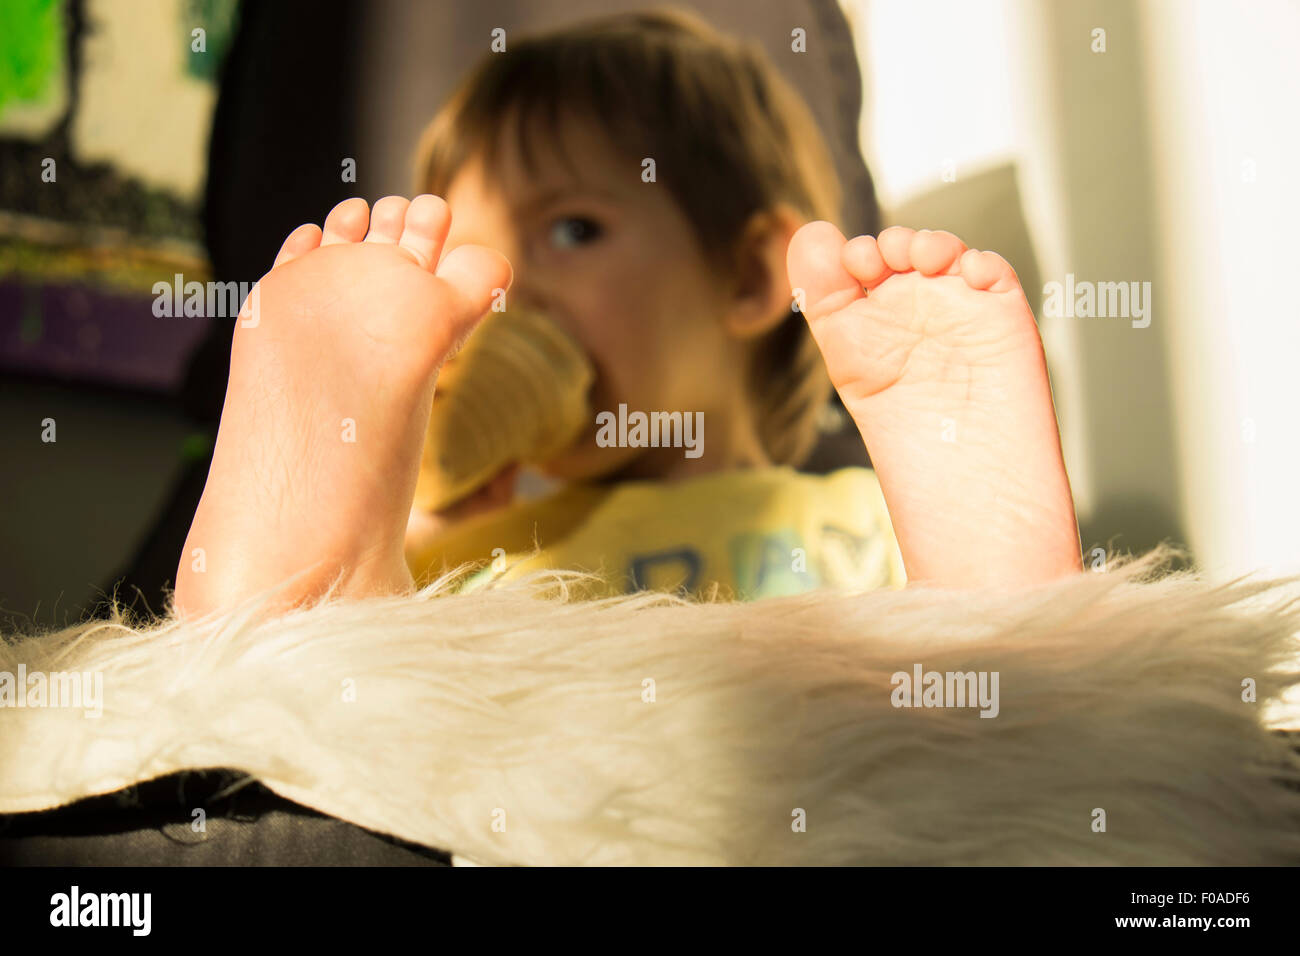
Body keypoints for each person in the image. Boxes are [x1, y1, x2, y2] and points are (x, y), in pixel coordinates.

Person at [173, 9, 1081, 618]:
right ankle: (315, 571)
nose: (504, 293)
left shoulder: (863, 520)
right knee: (373, 652)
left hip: (828, 774)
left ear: (747, 276)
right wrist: (414, 521)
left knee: (955, 663)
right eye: (464, 266)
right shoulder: (486, 554)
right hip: (512, 791)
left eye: (572, 229)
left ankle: (992, 588)